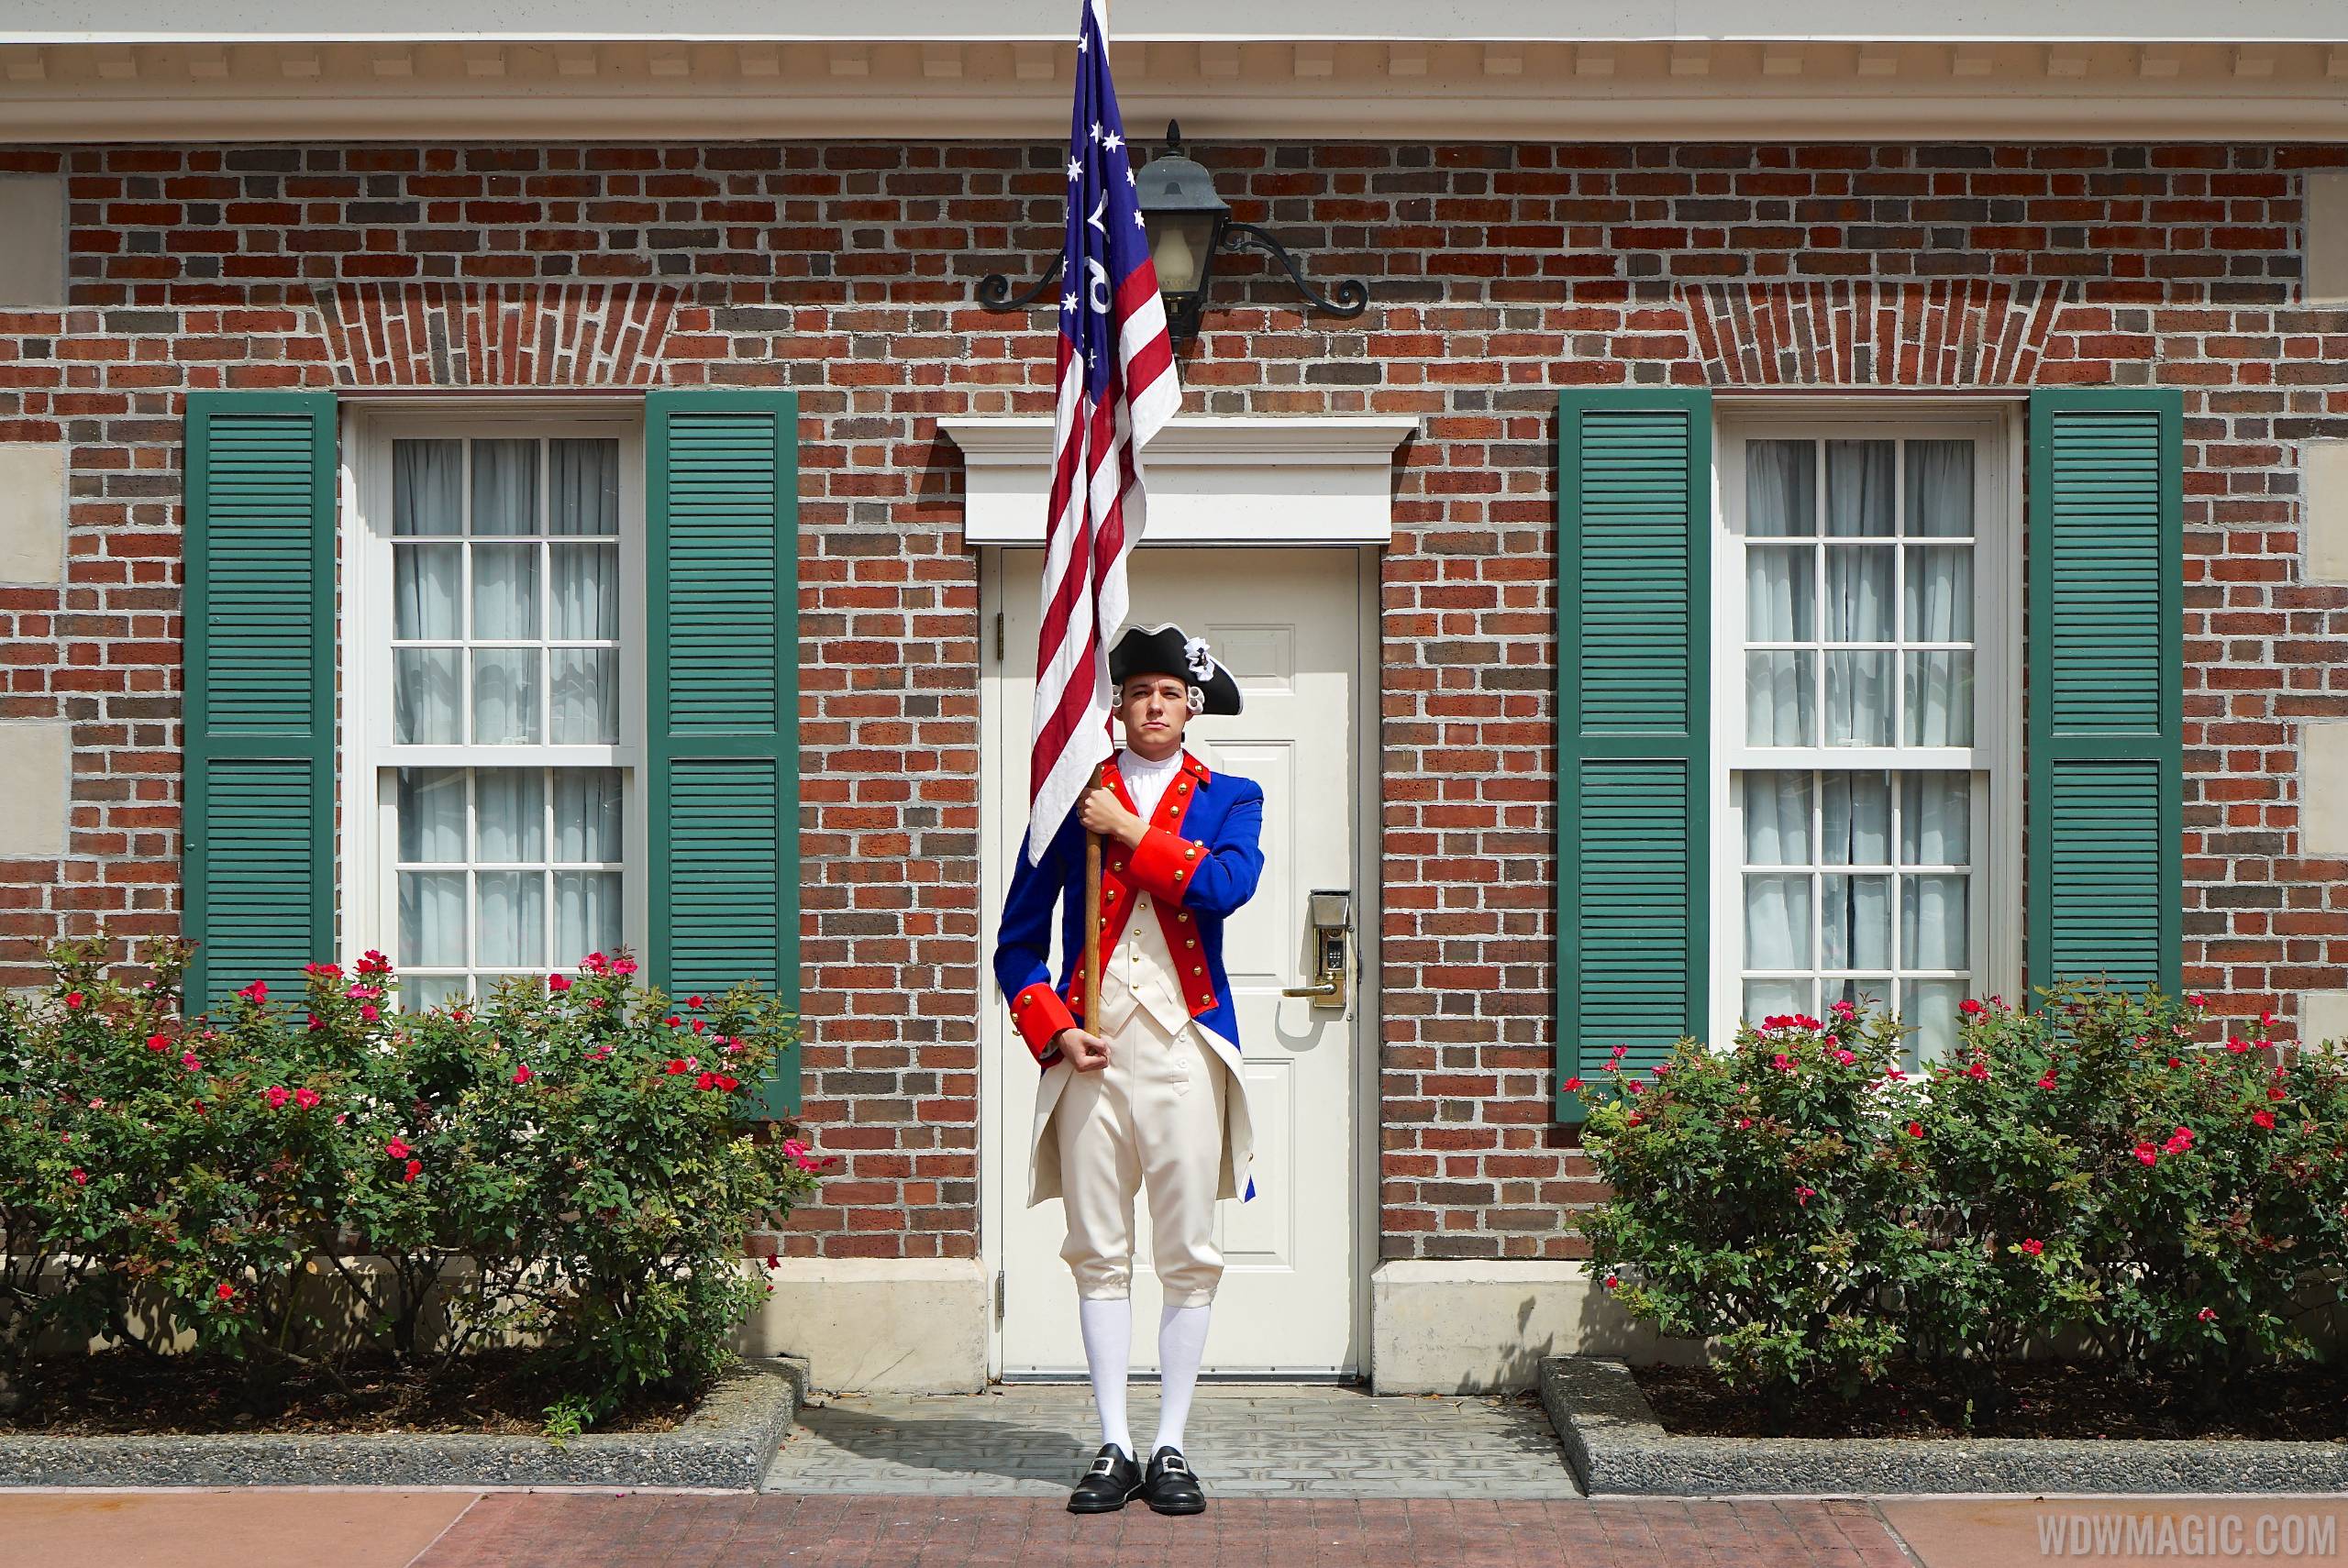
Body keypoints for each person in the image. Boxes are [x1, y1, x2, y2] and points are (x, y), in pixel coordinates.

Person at [992, 623, 1264, 1518]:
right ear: (1118, 704)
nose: (1155, 705)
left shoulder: (1232, 796)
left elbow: (1224, 888)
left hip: (1184, 1047)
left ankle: (1171, 1443)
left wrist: (1130, 831)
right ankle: (1113, 1441)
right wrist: (1054, 1030)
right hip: (1094, 1054)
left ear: (1193, 707)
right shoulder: (1070, 801)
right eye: (1139, 690)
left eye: (1170, 693)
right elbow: (1017, 946)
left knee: (1189, 1255)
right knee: (1097, 1252)